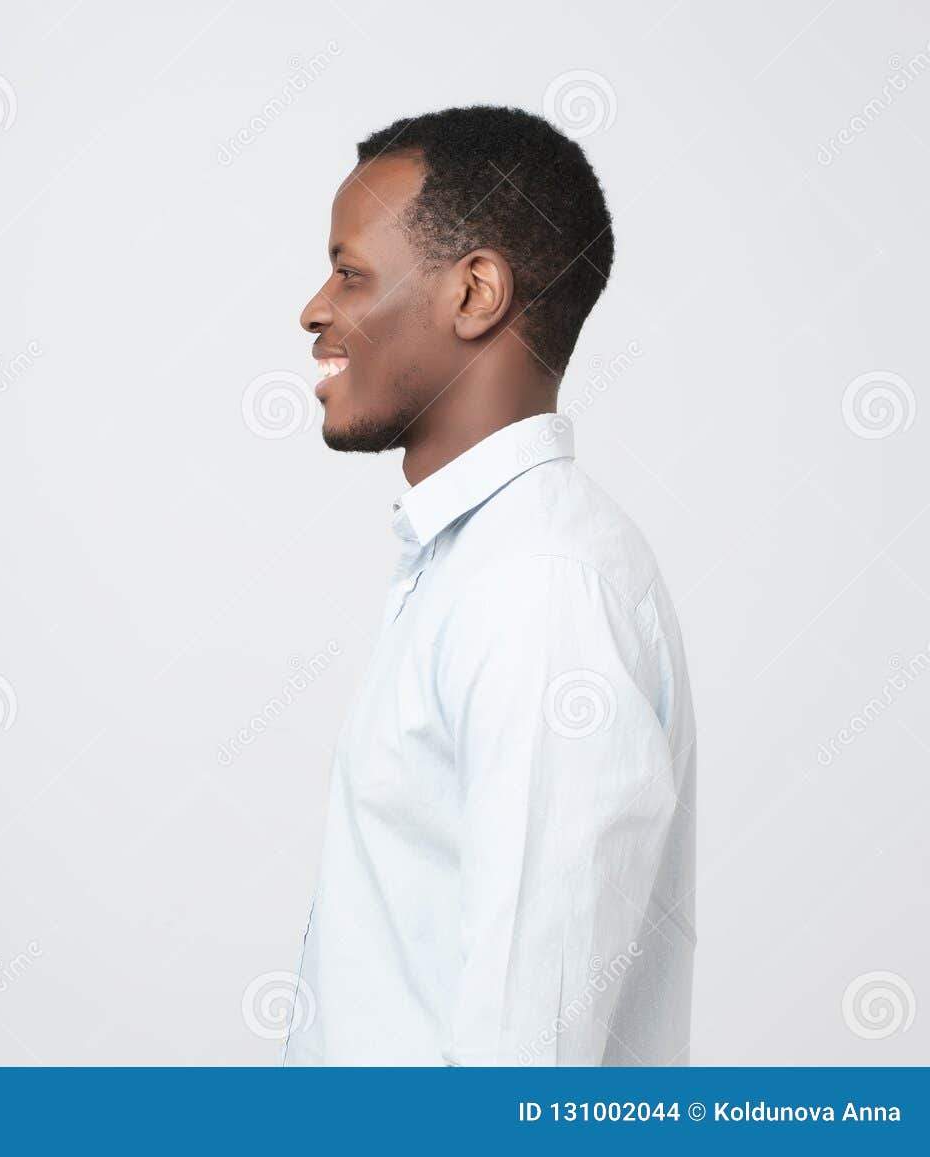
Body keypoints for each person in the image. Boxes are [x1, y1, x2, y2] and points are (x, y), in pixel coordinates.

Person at [284, 105, 696, 1065]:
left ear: (475, 293)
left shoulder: (538, 590)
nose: (314, 309)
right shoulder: (477, 565)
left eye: (350, 272)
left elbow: (525, 1063)